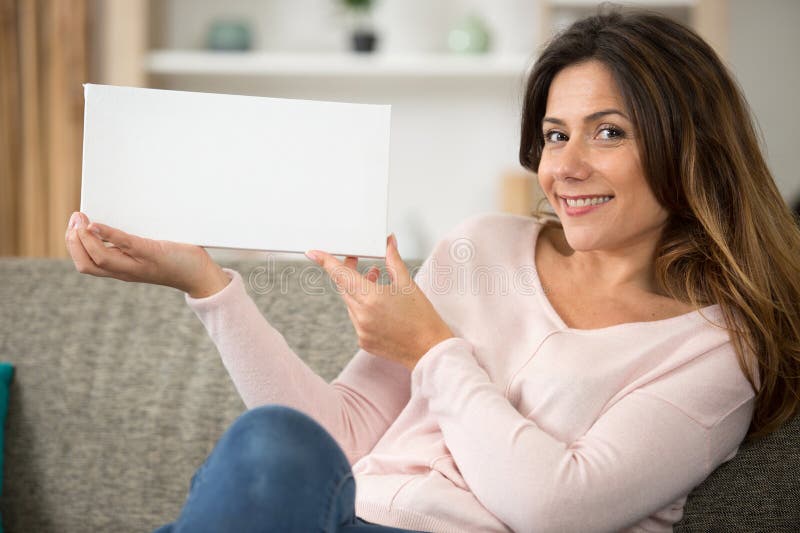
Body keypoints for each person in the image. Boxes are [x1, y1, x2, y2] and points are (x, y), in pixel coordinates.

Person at [65, 9, 800, 533]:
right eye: (553, 135)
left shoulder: (715, 348)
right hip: (341, 513)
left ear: (691, 146)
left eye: (609, 132)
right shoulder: (483, 246)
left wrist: (432, 349)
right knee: (277, 445)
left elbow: (557, 508)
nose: (566, 167)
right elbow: (344, 437)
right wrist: (208, 283)